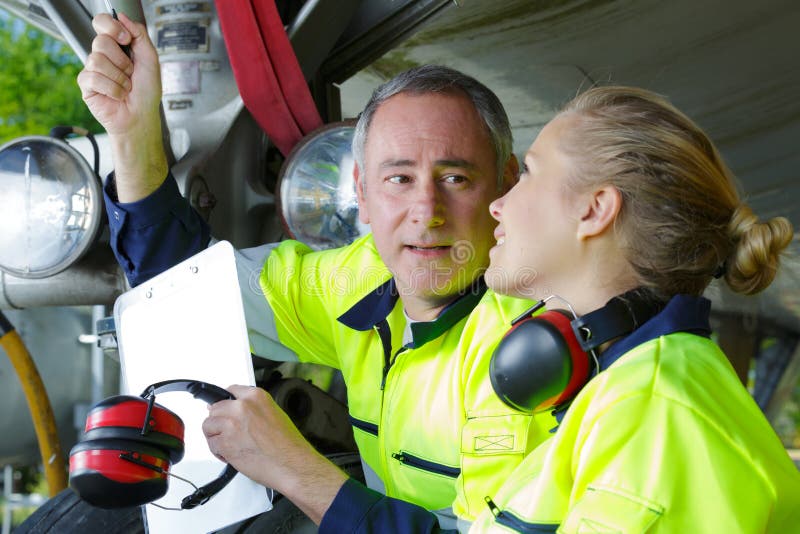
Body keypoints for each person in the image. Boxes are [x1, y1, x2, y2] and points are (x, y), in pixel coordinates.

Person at [77, 12, 553, 529]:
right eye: (398, 179)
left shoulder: (538, 343)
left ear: (507, 185)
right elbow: (189, 289)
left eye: (456, 177)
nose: (425, 211)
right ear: (363, 195)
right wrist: (133, 133)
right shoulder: (360, 279)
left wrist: (291, 467)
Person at [337, 85, 800, 532]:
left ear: (595, 209)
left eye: (529, 175)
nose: (498, 204)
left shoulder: (655, 418)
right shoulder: (620, 392)